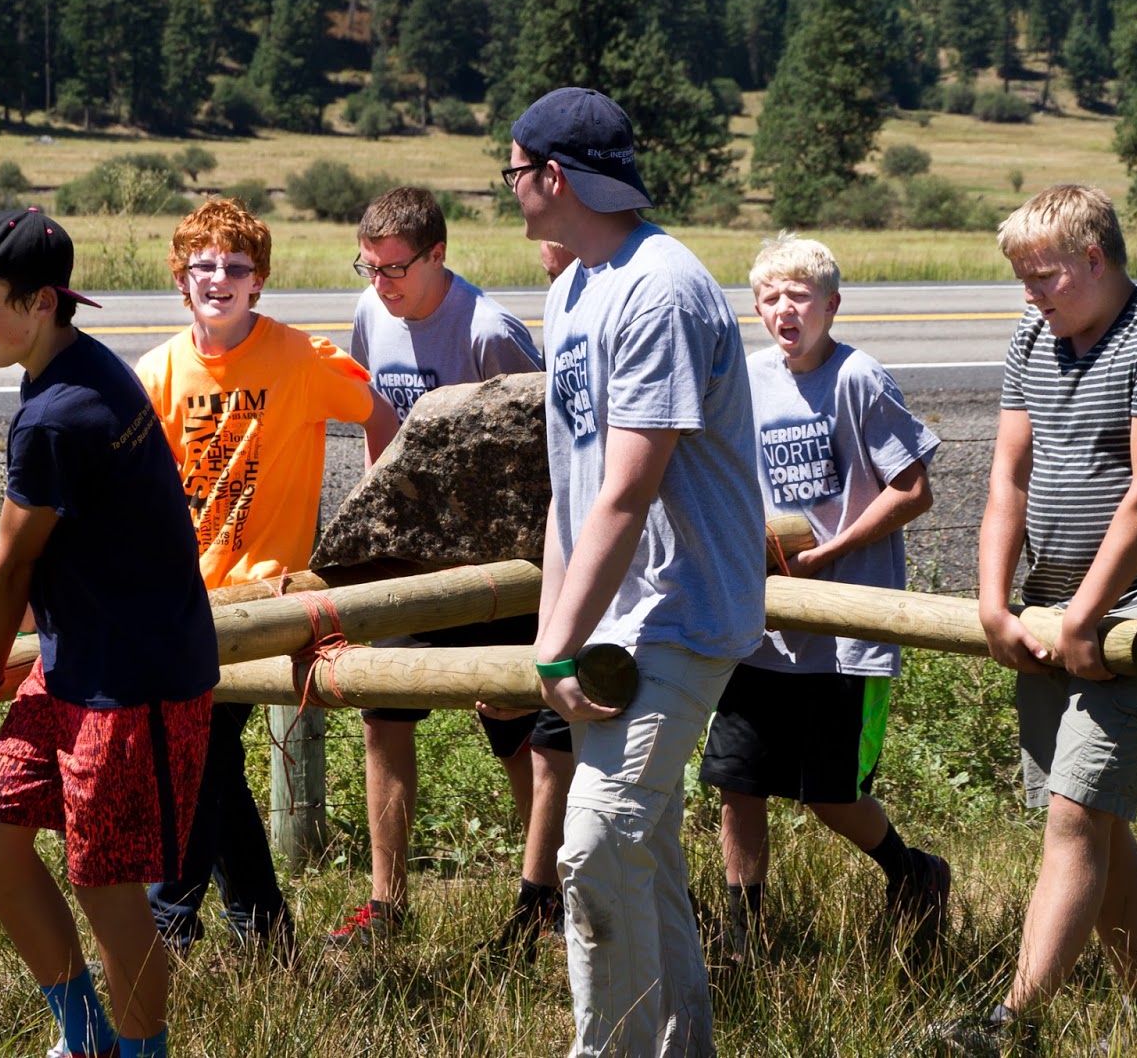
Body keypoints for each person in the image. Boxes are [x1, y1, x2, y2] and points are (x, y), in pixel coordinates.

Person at [504, 87, 765, 1056]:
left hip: (683, 611)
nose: (509, 188)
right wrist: (555, 637)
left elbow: (627, 488)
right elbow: (572, 490)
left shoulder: (661, 289)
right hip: (613, 619)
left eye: (512, 171)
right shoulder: (572, 288)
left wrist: (554, 649)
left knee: (597, 840)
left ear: (553, 177)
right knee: (641, 850)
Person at [941, 185, 1137, 1055]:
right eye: (1022, 278)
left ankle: (1010, 1026)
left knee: (1073, 814)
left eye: (1043, 275)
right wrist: (994, 601)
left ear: (1094, 259)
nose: (1030, 293)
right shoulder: (1035, 338)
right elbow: (1007, 478)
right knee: (1094, 818)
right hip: (1053, 610)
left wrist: (1086, 616)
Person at [0, 208, 218, 1058]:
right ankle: (85, 1035)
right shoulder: (73, 365)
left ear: (42, 301)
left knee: (107, 887)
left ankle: (140, 1053)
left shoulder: (58, 414)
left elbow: (10, 567)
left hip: (132, 682)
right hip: (73, 665)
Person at [133, 198, 397, 960]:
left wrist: (367, 523)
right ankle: (265, 929)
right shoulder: (157, 372)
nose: (218, 278)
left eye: (235, 267)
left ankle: (167, 928)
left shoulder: (300, 358)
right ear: (180, 279)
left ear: (259, 281)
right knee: (212, 762)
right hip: (184, 601)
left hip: (264, 602)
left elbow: (379, 415)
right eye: (203, 266)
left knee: (198, 755)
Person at [329, 185, 569, 955]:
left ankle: (549, 891)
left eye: (395, 268)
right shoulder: (370, 313)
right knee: (382, 712)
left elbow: (543, 454)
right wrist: (377, 536)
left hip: (498, 562)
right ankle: (387, 902)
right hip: (413, 558)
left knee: (512, 720)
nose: (381, 284)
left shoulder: (490, 333)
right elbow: (380, 431)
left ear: (438, 255)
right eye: (369, 268)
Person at [697, 233, 948, 967]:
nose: (785, 310)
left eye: (800, 297)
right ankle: (744, 939)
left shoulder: (858, 379)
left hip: (846, 629)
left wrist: (830, 552)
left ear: (831, 306)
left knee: (829, 793)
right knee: (737, 782)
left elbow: (914, 490)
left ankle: (914, 872)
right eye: (770, 298)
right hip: (764, 623)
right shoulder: (748, 379)